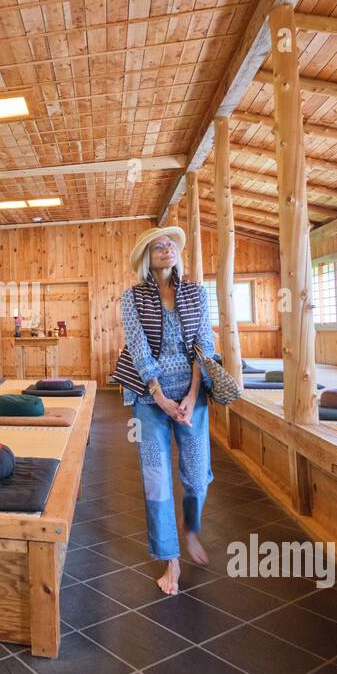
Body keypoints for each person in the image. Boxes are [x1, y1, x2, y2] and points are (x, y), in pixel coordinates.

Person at [111, 226, 215, 596]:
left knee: (197, 475)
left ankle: (189, 532)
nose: (166, 248)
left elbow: (205, 344)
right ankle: (170, 558)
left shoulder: (196, 293)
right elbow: (138, 349)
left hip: (191, 397)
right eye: (158, 246)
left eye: (170, 244)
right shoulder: (133, 297)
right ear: (146, 259)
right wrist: (159, 397)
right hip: (148, 397)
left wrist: (190, 395)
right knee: (156, 478)